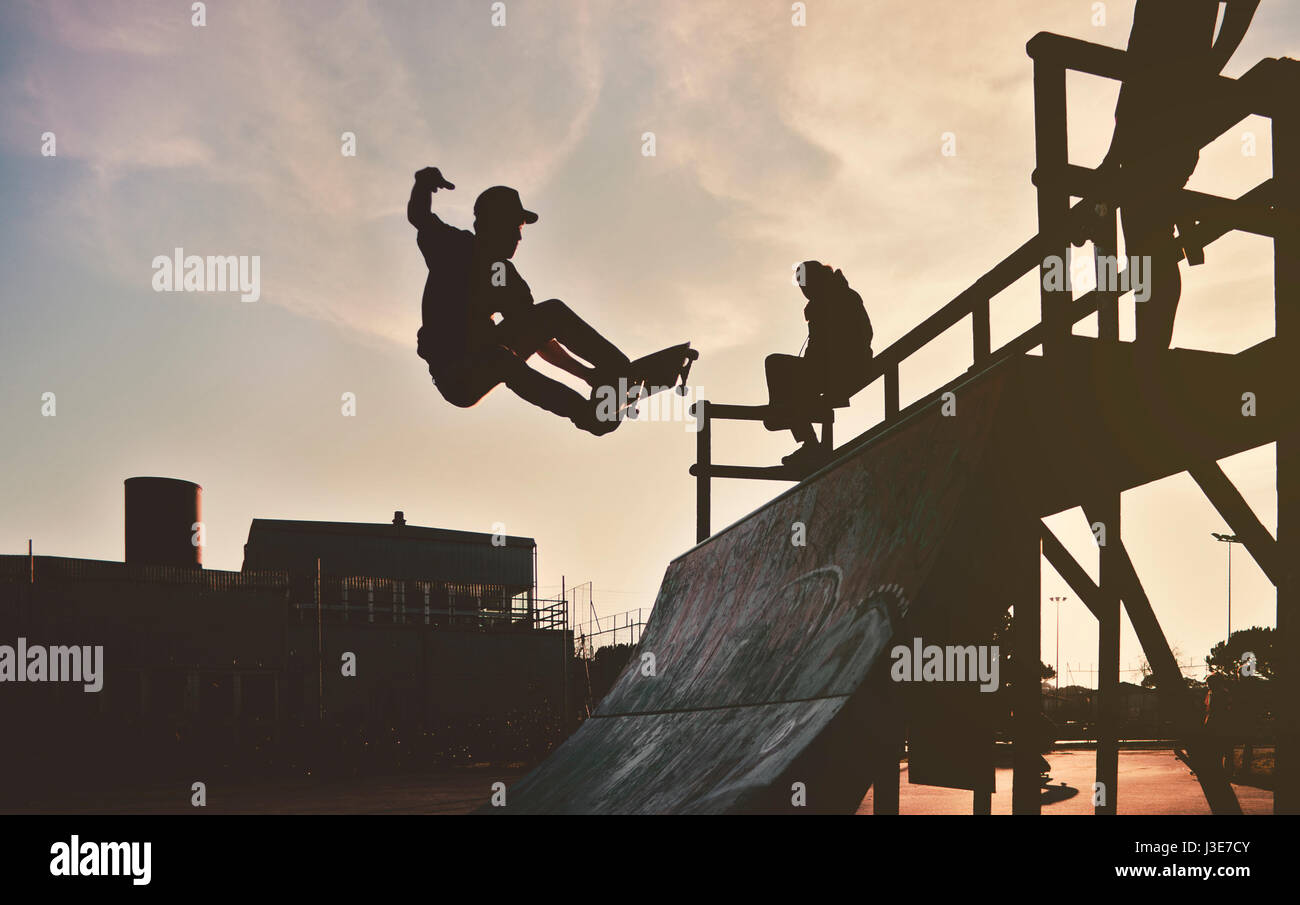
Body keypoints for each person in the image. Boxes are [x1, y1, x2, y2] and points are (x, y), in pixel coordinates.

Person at [1088, 0, 1260, 351]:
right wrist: (1113, 153)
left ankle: (1152, 348)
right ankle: (1151, 346)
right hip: (1143, 129)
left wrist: (1209, 68)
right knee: (1144, 240)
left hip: (1168, 122)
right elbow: (1139, 63)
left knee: (1150, 239)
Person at [408, 166, 632, 435]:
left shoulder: (507, 279)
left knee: (551, 312)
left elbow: (540, 339)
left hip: (483, 357)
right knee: (501, 359)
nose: (518, 237)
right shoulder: (453, 246)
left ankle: (616, 367)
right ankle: (586, 414)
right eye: (513, 228)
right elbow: (420, 217)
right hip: (456, 375)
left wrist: (586, 374)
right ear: (489, 226)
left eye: (520, 228)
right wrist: (423, 184)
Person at [763, 261, 873, 470]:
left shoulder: (835, 300)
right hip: (834, 369)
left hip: (842, 370)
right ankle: (803, 435)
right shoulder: (833, 298)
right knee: (784, 373)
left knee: (776, 364)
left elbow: (842, 340)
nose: (804, 291)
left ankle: (791, 422)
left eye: (805, 285)